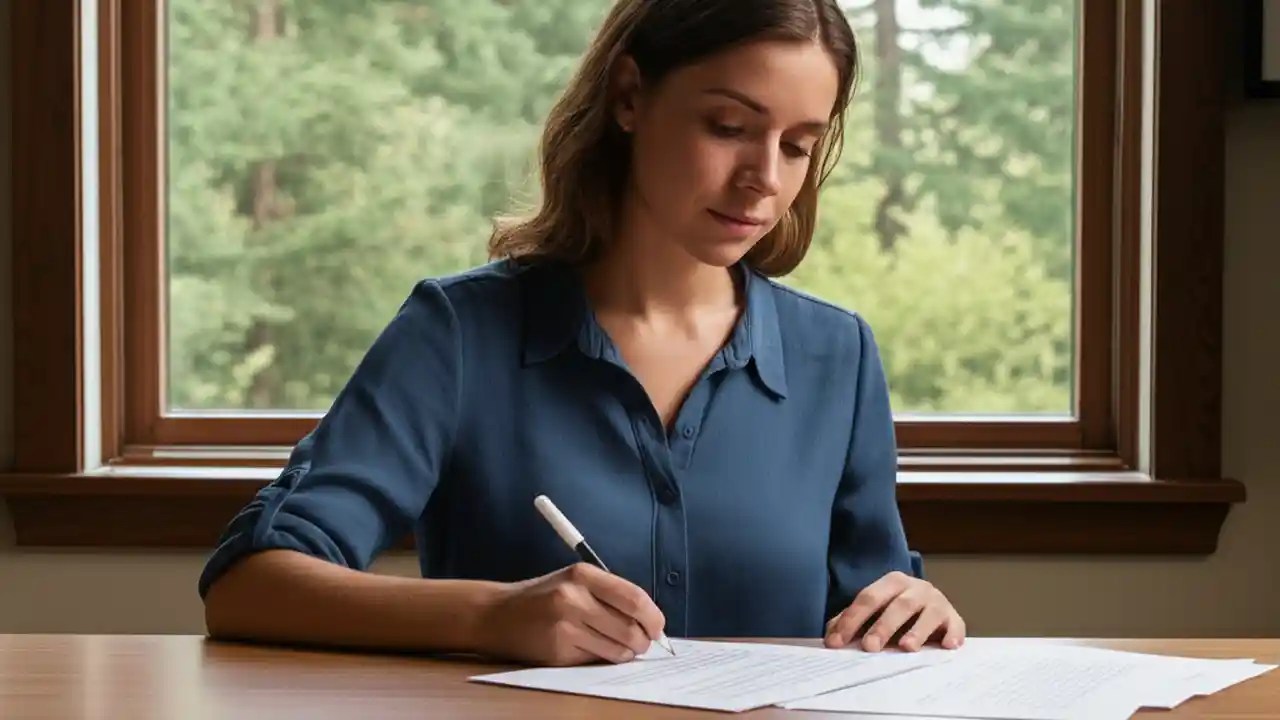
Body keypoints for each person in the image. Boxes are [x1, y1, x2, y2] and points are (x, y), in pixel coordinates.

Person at [199, 0, 966, 668]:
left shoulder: (837, 356)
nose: (765, 177)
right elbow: (250, 585)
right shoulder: (460, 334)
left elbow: (873, 613)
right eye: (729, 126)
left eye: (798, 146)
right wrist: (492, 617)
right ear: (629, 96)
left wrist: (914, 612)